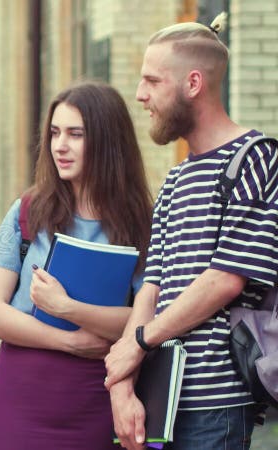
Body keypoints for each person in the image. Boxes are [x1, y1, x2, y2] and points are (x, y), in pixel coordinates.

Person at [104, 13, 278, 450]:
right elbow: (151, 288)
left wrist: (139, 342)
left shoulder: (256, 159)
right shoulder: (175, 179)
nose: (140, 95)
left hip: (217, 406)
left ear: (193, 83)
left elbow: (225, 280)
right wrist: (123, 385)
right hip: (159, 399)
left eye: (152, 81)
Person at [0, 81, 153, 450]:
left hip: (97, 398)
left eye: (75, 134)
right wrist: (69, 341)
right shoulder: (26, 211)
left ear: (107, 140)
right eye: (55, 133)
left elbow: (145, 320)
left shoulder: (143, 224)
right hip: (17, 396)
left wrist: (67, 308)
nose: (60, 146)